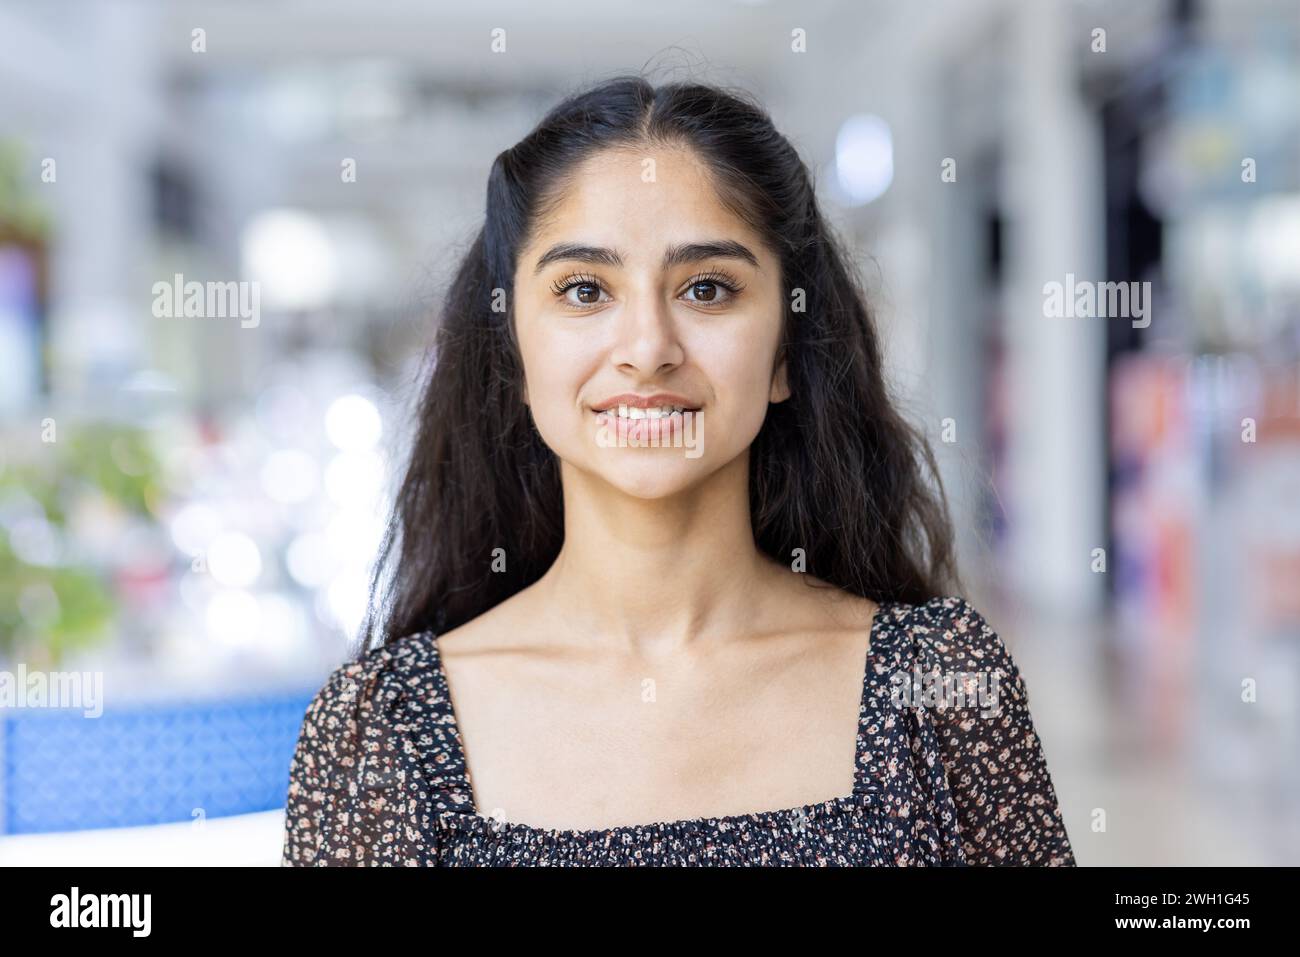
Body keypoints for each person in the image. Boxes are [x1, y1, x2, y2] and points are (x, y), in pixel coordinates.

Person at [281, 74, 1075, 866]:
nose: (648, 346)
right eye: (585, 289)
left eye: (706, 288)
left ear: (784, 353)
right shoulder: (383, 730)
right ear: (515, 354)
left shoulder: (939, 688)